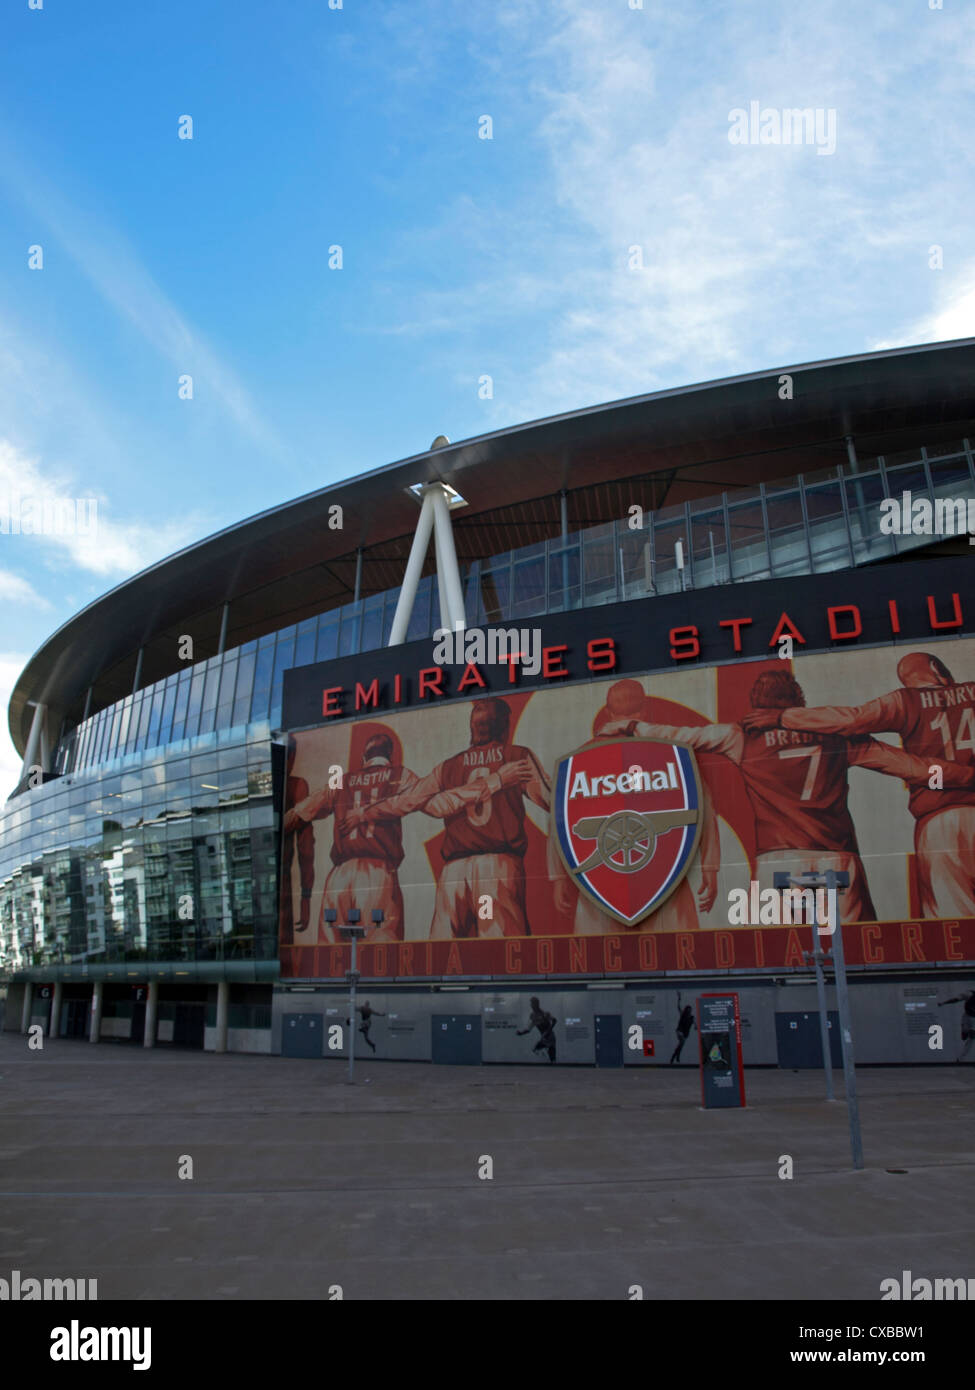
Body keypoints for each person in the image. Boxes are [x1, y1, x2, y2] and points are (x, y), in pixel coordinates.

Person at [603, 668, 975, 923]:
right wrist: (964, 777)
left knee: (789, 960)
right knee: (853, 959)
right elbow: (913, 768)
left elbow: (682, 736)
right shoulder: (839, 736)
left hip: (777, 861)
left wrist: (632, 726)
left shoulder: (740, 735)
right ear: (797, 702)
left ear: (757, 704)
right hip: (836, 856)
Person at [741, 652, 975, 918]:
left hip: (941, 819)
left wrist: (785, 718)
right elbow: (914, 769)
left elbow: (852, 719)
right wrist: (967, 777)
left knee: (955, 922)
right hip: (842, 854)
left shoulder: (905, 701)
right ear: (938, 669)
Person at [347, 698, 550, 939]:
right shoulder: (516, 756)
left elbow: (408, 800)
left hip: (453, 873)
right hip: (496, 867)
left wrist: (364, 812)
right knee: (500, 948)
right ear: (504, 727)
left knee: (442, 950)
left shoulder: (448, 767)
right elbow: (551, 799)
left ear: (472, 728)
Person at [279, 740, 314, 945]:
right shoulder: (296, 786)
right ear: (291, 757)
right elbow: (306, 847)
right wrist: (306, 896)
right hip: (281, 881)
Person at [517, 996, 557, 1063]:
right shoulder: (533, 1016)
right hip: (544, 1037)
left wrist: (548, 1031)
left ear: (537, 1004)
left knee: (550, 1054)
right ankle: (547, 1059)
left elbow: (554, 1020)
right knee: (536, 1049)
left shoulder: (545, 1013)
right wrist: (521, 1033)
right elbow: (529, 1029)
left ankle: (550, 1059)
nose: (531, 1005)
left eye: (532, 1003)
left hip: (550, 1036)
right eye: (531, 1004)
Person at [938, 989, 975, 1062]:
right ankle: (965, 1031)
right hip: (966, 1017)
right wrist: (943, 1003)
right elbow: (955, 999)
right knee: (964, 1037)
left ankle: (960, 1058)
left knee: (972, 1037)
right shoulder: (968, 994)